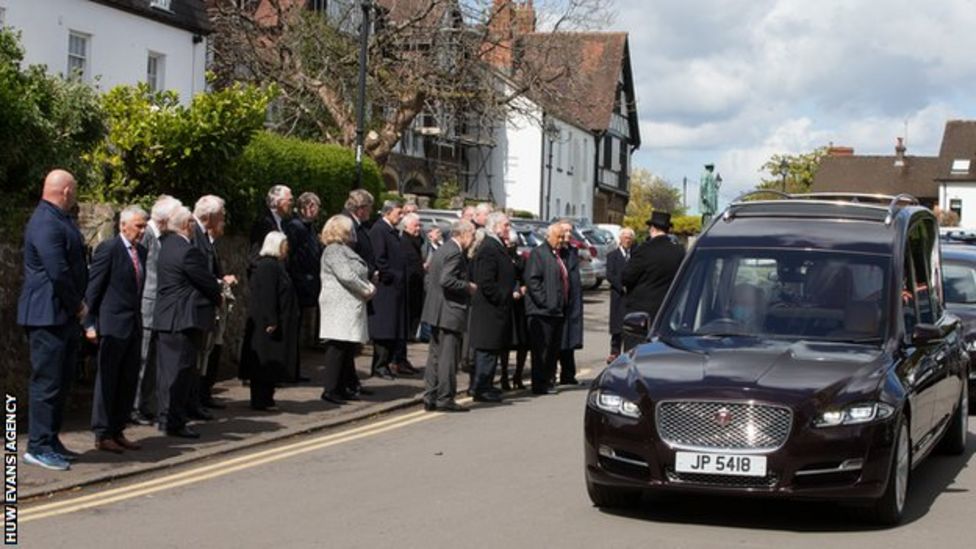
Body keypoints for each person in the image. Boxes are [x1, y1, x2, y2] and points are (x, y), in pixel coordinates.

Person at [18, 169, 88, 471]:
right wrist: (77, 305)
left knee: (61, 381)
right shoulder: (45, 221)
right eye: (75, 191)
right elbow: (57, 270)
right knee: (47, 383)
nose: (75, 197)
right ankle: (37, 446)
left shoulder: (57, 219)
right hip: (47, 315)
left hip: (61, 315)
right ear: (66, 191)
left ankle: (50, 439)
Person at [153, 206, 222, 438]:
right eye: (192, 223)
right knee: (181, 374)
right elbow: (207, 282)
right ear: (186, 225)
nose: (195, 227)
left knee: (166, 374)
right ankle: (175, 421)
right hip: (183, 319)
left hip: (165, 318)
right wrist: (219, 295)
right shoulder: (187, 251)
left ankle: (164, 417)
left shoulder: (166, 247)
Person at [84, 206, 148, 453]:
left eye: (144, 226)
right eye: (138, 226)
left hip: (133, 325)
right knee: (107, 381)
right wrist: (89, 324)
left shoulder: (141, 251)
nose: (142, 231)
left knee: (127, 380)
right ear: (123, 225)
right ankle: (102, 434)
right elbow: (93, 289)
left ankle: (117, 429)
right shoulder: (109, 249)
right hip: (111, 326)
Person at [133, 195, 182, 427]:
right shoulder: (146, 236)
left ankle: (146, 406)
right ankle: (133, 407)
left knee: (152, 362)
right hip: (146, 306)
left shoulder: (161, 237)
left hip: (158, 307)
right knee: (141, 360)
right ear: (164, 219)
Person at [318, 215, 376, 404]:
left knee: (347, 348)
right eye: (350, 229)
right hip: (339, 305)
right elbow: (346, 275)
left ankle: (342, 387)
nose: (353, 232)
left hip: (349, 304)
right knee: (337, 347)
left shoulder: (343, 249)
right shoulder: (334, 250)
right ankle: (330, 389)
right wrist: (367, 288)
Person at [421, 220, 477, 412]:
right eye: (473, 235)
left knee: (435, 356)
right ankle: (445, 398)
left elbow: (431, 278)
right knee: (448, 357)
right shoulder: (454, 252)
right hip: (450, 311)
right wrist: (468, 287)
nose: (473, 240)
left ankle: (430, 396)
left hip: (436, 310)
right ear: (464, 234)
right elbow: (447, 280)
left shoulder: (442, 249)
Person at [240, 185, 293, 383]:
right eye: (289, 200)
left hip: (276, 278)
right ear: (278, 202)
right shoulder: (264, 223)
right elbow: (255, 255)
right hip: (265, 282)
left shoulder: (282, 223)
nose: (291, 204)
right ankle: (255, 374)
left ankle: (271, 373)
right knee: (261, 330)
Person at [189, 195, 232, 419]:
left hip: (204, 305)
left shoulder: (203, 234)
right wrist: (217, 285)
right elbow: (197, 271)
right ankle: (192, 404)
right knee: (194, 360)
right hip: (195, 306)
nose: (224, 218)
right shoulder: (194, 233)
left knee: (202, 359)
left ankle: (197, 401)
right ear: (210, 216)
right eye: (222, 214)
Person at [248, 231, 300, 411]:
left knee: (272, 359)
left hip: (276, 321)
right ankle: (260, 399)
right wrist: (272, 320)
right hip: (266, 323)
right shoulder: (267, 266)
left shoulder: (277, 265)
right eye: (284, 245)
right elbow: (268, 295)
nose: (287, 248)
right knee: (264, 360)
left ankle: (267, 397)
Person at [468, 212, 514, 402]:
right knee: (486, 350)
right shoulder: (489, 248)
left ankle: (486, 385)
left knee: (492, 350)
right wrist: (501, 297)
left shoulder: (497, 246)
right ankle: (481, 387)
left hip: (496, 309)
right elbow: (486, 281)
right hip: (489, 309)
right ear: (495, 227)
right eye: (506, 225)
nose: (508, 229)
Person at [524, 222, 567, 395]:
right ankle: (539, 383)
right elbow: (533, 281)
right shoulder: (539, 253)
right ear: (549, 236)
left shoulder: (556, 255)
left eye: (563, 237)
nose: (562, 240)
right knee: (541, 350)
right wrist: (546, 302)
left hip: (555, 311)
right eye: (559, 237)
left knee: (552, 350)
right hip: (542, 312)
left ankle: (548, 381)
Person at [622, 211, 685, 328]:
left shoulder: (645, 250)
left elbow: (626, 277)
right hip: (669, 311)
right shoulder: (679, 251)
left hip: (643, 314)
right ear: (667, 230)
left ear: (652, 228)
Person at [367, 200, 407, 380]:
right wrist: (392, 275)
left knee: (393, 328)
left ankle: (386, 363)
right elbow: (379, 258)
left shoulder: (390, 230)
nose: (401, 216)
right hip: (386, 287)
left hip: (394, 288)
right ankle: (379, 365)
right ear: (388, 212)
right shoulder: (379, 230)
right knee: (384, 329)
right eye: (399, 212)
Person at [286, 192, 323, 353]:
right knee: (293, 326)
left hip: (308, 281)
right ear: (307, 207)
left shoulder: (310, 227)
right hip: (299, 283)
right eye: (316, 207)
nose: (318, 211)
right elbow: (292, 255)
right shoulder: (296, 227)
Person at [393, 212, 424, 375]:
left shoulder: (414, 241)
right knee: (403, 329)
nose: (419, 228)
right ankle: (398, 360)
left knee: (408, 329)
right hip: (407, 291)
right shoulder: (404, 242)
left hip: (415, 291)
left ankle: (402, 359)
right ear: (406, 226)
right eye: (416, 225)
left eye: (420, 225)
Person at [500, 227, 529, 391]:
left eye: (513, 243)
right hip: (507, 304)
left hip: (520, 306)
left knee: (523, 343)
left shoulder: (521, 260)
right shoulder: (501, 259)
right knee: (505, 344)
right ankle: (504, 377)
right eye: (508, 243)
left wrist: (524, 288)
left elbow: (526, 279)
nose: (511, 246)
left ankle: (518, 376)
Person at [557, 220, 583, 386]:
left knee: (570, 339)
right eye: (565, 231)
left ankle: (568, 374)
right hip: (560, 299)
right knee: (559, 339)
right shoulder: (557, 251)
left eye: (570, 231)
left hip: (573, 299)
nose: (568, 234)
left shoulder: (572, 250)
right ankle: (554, 374)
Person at [605, 227, 635, 362]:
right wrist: (620, 285)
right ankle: (614, 352)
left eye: (630, 237)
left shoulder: (636, 255)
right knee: (617, 326)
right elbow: (609, 274)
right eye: (625, 237)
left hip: (631, 295)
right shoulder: (612, 256)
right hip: (618, 294)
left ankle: (630, 352)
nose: (627, 240)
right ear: (620, 238)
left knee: (630, 325)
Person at [341, 189, 376, 273]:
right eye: (369, 207)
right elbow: (348, 257)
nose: (371, 211)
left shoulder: (356, 223)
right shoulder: (346, 224)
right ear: (361, 208)